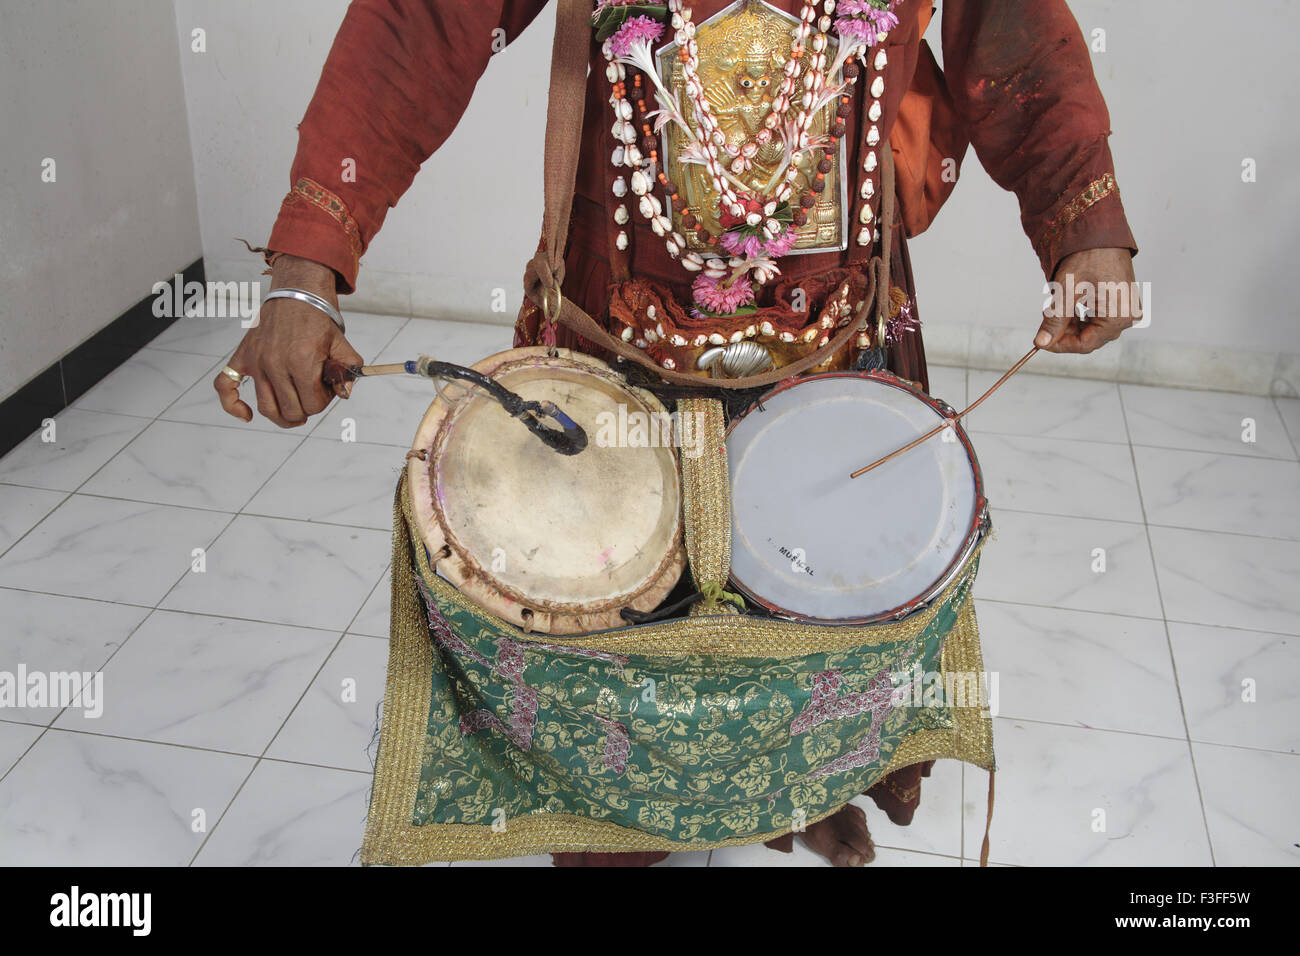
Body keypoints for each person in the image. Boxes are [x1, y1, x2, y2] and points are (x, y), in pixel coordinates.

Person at [214, 0, 1139, 867]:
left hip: (841, 320)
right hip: (614, 322)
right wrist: (306, 268)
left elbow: (1008, 23)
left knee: (822, 590)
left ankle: (799, 792)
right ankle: (612, 834)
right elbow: (419, 26)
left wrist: (1084, 222)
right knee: (606, 602)